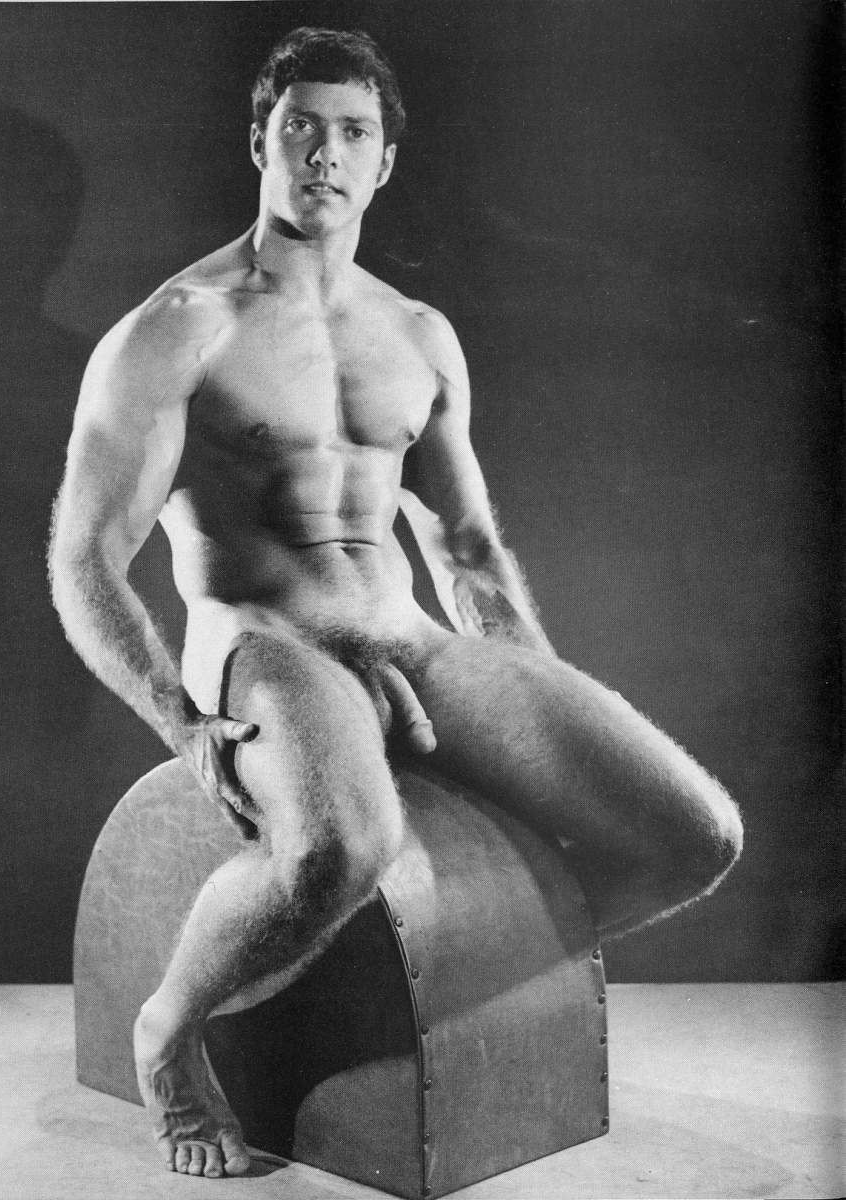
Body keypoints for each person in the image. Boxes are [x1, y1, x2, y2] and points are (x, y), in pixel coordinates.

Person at [49, 27, 743, 1180]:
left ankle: (436, 992)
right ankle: (169, 1030)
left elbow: (467, 549)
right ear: (260, 144)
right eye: (301, 128)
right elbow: (84, 559)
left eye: (353, 132)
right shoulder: (178, 328)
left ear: (384, 163)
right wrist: (179, 717)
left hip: (407, 638)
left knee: (693, 834)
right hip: (264, 643)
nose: (325, 154)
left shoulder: (419, 336)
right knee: (347, 845)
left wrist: (529, 689)